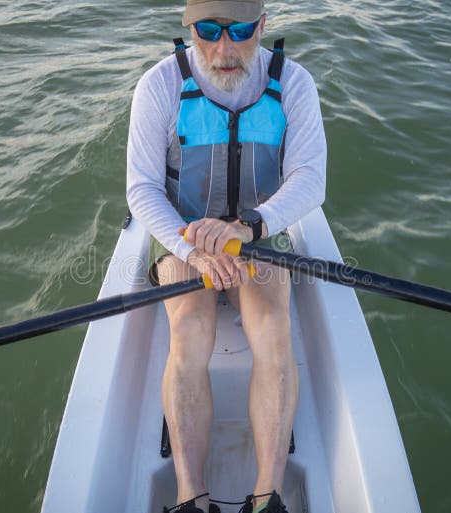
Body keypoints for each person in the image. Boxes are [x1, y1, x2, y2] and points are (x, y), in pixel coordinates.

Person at [126, 0, 326, 511]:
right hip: (185, 239)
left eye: (240, 31)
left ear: (262, 26)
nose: (224, 48)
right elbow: (142, 190)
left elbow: (310, 180)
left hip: (256, 239)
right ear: (189, 27)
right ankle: (192, 495)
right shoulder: (159, 87)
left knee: (272, 330)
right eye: (209, 31)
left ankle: (268, 495)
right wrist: (193, 248)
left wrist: (247, 227)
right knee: (189, 331)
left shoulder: (294, 84)